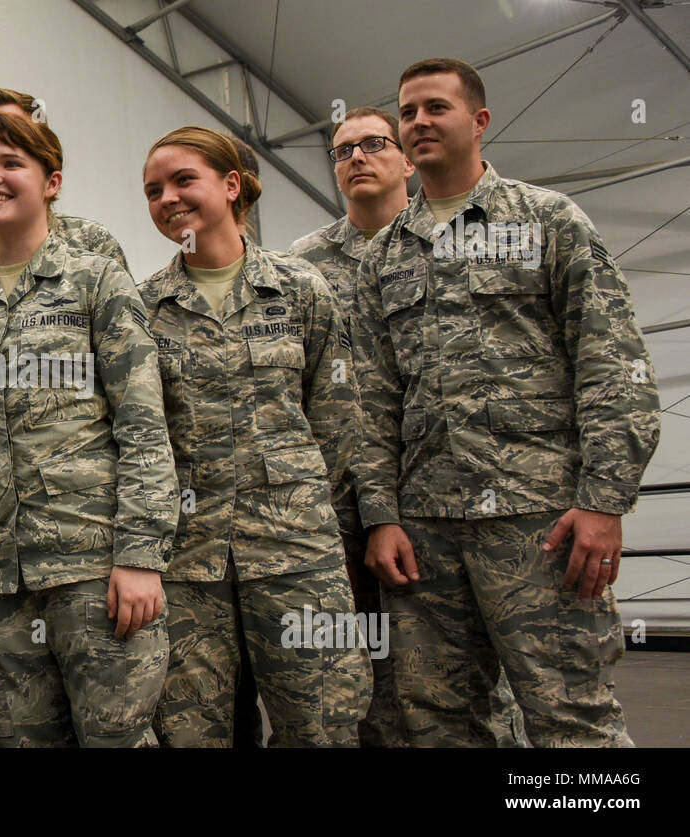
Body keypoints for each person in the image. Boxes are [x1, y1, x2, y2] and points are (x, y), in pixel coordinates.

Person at [353, 58, 660, 747]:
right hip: (426, 531)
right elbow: (372, 402)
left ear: (479, 121)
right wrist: (380, 516)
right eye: (408, 113)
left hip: (540, 521)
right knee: (437, 722)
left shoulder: (548, 221)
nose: (419, 122)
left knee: (570, 716)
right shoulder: (384, 257)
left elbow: (615, 364)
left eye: (436, 107)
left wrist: (605, 500)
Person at [0, 110, 177, 748]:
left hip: (94, 570)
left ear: (51, 182)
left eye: (11, 164)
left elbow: (144, 425)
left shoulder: (97, 282)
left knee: (117, 738)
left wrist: (141, 556)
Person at [290, 106, 522, 748]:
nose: (356, 158)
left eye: (371, 145)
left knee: (456, 679)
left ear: (404, 157)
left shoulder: (452, 241)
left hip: (438, 500)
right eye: (341, 151)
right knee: (353, 675)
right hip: (337, 508)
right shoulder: (302, 267)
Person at [140, 126, 369, 747]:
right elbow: (140, 436)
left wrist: (293, 498)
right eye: (153, 190)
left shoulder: (298, 289)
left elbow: (336, 414)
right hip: (188, 563)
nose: (167, 199)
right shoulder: (142, 309)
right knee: (193, 733)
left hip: (297, 555)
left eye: (183, 180)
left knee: (320, 725)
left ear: (231, 184)